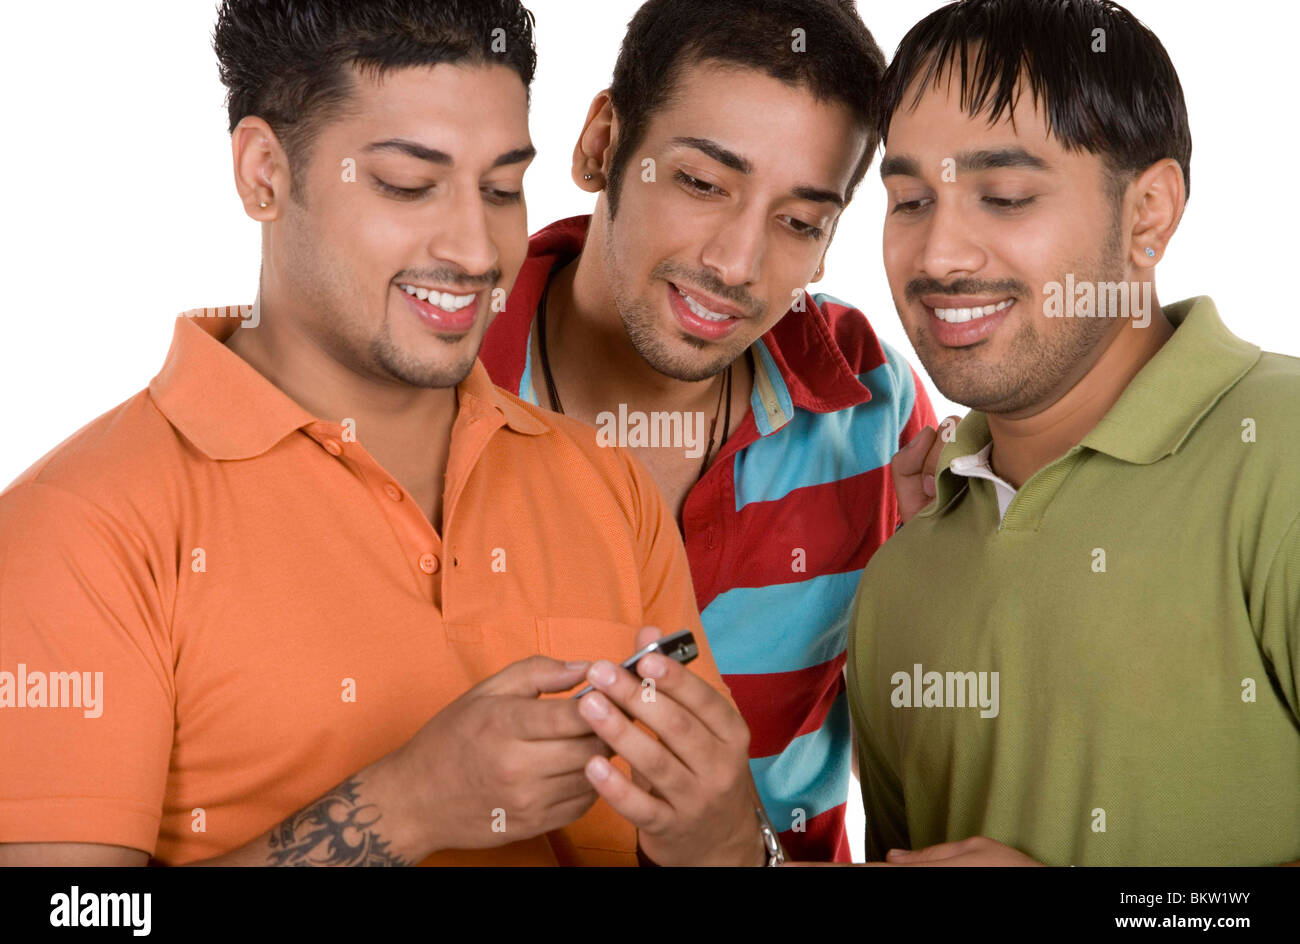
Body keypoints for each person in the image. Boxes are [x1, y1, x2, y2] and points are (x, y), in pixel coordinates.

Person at [0, 0, 769, 867]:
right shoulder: (74, 528)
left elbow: (713, 843)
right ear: (264, 173)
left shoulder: (607, 486)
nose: (477, 251)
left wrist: (729, 843)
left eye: (502, 189)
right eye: (408, 184)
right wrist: (403, 808)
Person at [481, 0, 937, 862]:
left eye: (799, 221)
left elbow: (924, 757)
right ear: (602, 144)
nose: (735, 264)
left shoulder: (873, 406)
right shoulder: (434, 388)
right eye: (701, 183)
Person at [848, 0, 1300, 865]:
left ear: (1148, 213)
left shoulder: (1284, 456)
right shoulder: (898, 581)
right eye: (909, 200)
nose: (938, 255)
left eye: (1005, 197)